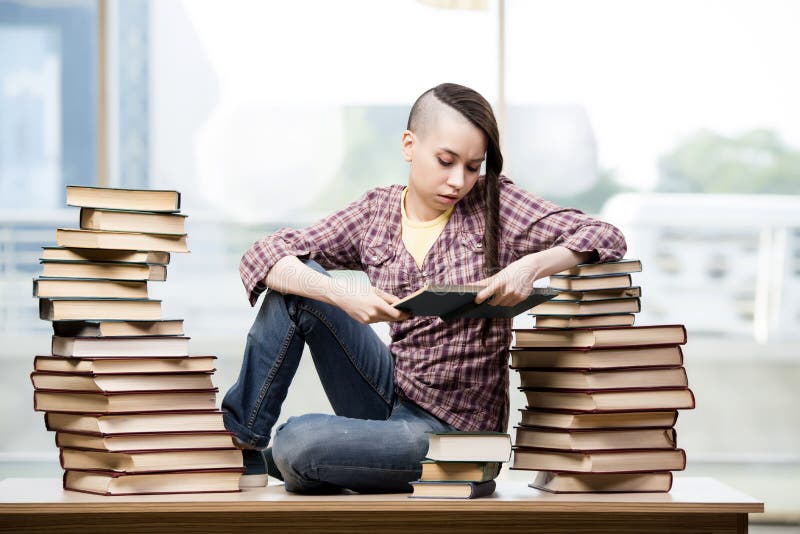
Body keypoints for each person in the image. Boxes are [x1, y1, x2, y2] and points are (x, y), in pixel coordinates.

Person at [222, 82, 627, 494]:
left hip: (454, 434)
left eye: (472, 166)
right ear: (409, 146)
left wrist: (530, 266)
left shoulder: (495, 204)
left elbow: (604, 234)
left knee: (297, 443)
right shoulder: (375, 212)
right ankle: (243, 444)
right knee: (296, 285)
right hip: (389, 393)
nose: (458, 181)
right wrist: (341, 293)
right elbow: (264, 254)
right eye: (446, 160)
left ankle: (322, 460)